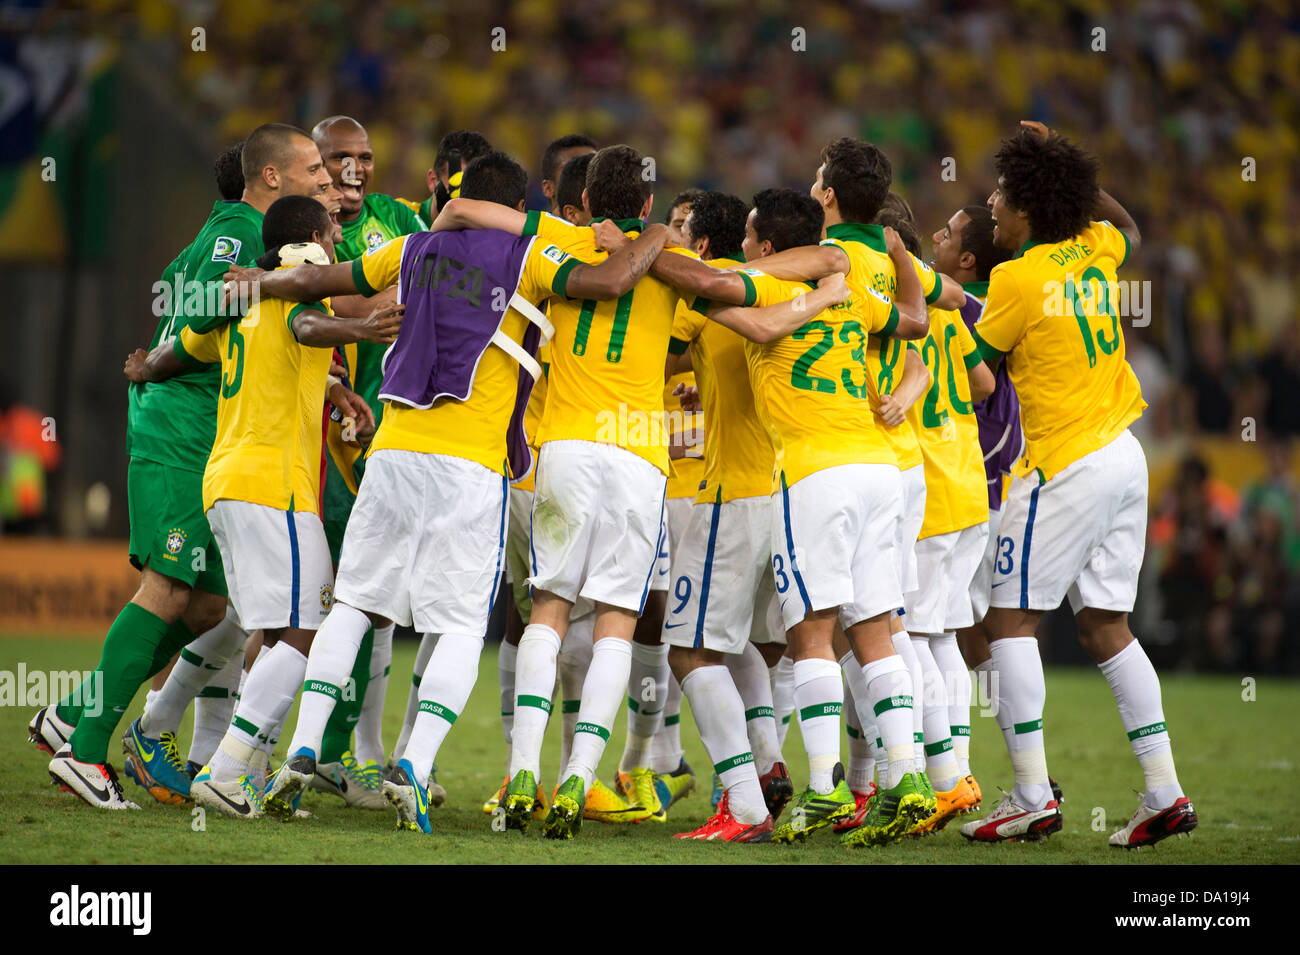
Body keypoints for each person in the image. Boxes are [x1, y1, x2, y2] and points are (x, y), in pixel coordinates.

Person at [240, 151, 671, 834]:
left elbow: (329, 281)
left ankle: (300, 748)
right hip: (472, 467)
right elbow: (611, 279)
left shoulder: (413, 247)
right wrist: (657, 237)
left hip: (393, 451)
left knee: (354, 602)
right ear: (515, 203)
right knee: (462, 625)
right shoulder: (532, 257)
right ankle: (413, 763)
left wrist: (263, 284)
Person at [35, 123, 332, 811]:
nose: (322, 177)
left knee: (207, 605)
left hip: (201, 429)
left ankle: (75, 709)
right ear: (270, 179)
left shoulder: (239, 236)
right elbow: (205, 310)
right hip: (181, 429)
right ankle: (87, 753)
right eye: (312, 166)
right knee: (169, 591)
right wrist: (279, 288)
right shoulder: (236, 236)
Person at [960, 121, 1196, 848]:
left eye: (1002, 191)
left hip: (1062, 465)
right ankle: (1164, 790)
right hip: (1125, 455)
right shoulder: (1095, 249)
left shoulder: (1014, 277)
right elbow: (1124, 222)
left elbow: (976, 373)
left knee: (1007, 623)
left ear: (1028, 206)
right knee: (1104, 625)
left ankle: (1031, 792)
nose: (991, 204)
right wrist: (1066, 167)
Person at [308, 114, 428, 810]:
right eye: (337, 157)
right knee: (284, 604)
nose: (352, 169)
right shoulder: (303, 224)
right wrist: (409, 294)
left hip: (389, 438)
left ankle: (356, 750)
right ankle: (223, 744)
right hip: (319, 436)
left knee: (376, 603)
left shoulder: (398, 216)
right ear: (314, 164)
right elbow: (344, 300)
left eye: (363, 156)